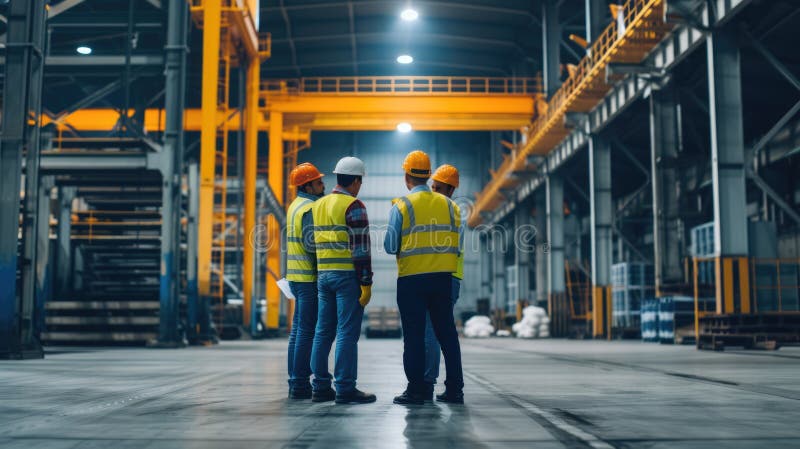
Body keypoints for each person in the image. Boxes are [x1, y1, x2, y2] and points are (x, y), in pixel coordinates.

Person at [384, 150, 465, 405]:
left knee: (414, 336)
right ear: (429, 176)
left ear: (407, 176)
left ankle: (417, 390)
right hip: (442, 279)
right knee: (447, 336)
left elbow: (389, 245)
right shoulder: (451, 206)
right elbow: (457, 244)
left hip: (412, 280)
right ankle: (455, 390)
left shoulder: (402, 205)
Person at [309, 156, 376, 404]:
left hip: (323, 275)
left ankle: (320, 387)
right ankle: (346, 388)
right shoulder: (354, 205)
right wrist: (366, 282)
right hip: (347, 277)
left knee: (323, 332)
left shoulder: (319, 205)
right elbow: (361, 249)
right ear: (356, 181)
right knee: (347, 333)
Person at [423, 164, 463, 400]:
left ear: (450, 188)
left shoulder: (452, 211)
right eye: (432, 186)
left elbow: (452, 248)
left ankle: (428, 382)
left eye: (438, 187)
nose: (434, 190)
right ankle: (453, 387)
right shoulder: (445, 209)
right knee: (442, 334)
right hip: (444, 277)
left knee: (433, 332)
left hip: (447, 278)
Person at [286, 163, 325, 399]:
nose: (323, 185)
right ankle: (300, 384)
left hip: (295, 276)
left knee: (298, 331)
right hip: (307, 277)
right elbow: (311, 244)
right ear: (307, 185)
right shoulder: (308, 208)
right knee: (307, 331)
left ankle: (295, 380)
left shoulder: (294, 206)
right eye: (319, 182)